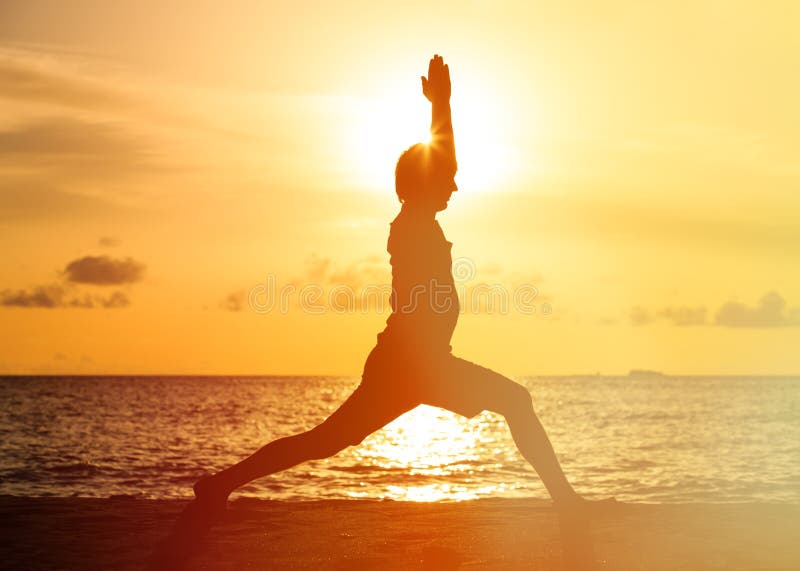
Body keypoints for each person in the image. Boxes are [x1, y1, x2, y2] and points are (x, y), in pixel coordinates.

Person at [194, 55, 591, 511]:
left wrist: (442, 103)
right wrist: (441, 106)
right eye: (447, 181)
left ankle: (221, 483)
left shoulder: (416, 219)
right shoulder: (412, 224)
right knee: (513, 402)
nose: (456, 188)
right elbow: (441, 159)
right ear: (424, 184)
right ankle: (566, 500)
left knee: (324, 441)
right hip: (412, 364)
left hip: (415, 364)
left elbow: (444, 161)